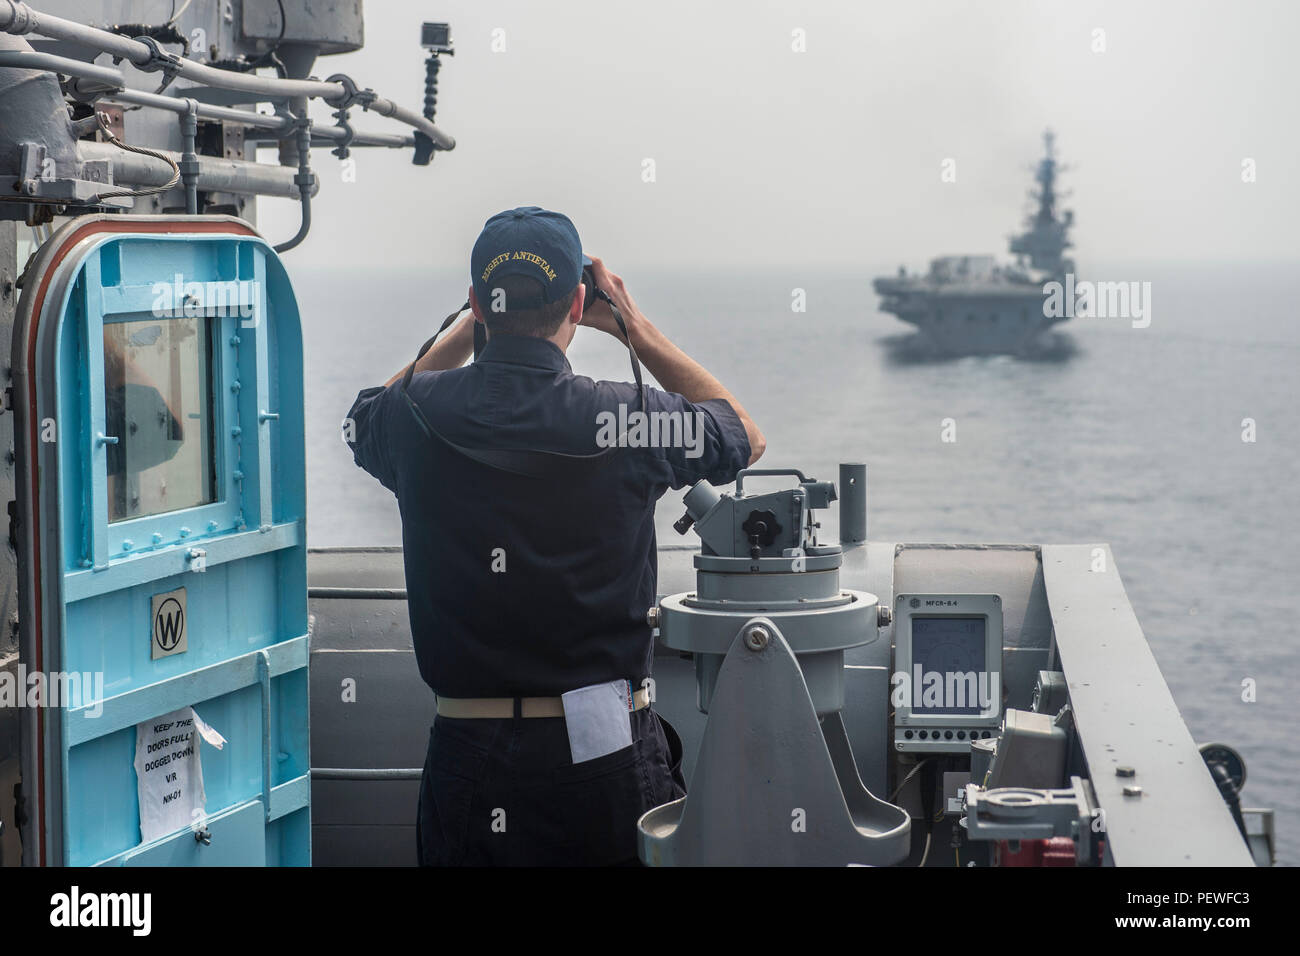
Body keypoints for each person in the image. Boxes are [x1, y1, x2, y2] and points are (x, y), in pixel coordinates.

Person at [345, 206, 764, 865]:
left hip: (467, 751)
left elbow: (365, 417)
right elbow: (743, 432)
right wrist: (635, 328)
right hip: (605, 750)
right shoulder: (626, 420)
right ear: (578, 300)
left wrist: (464, 327)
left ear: (479, 301)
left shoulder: (413, 416)